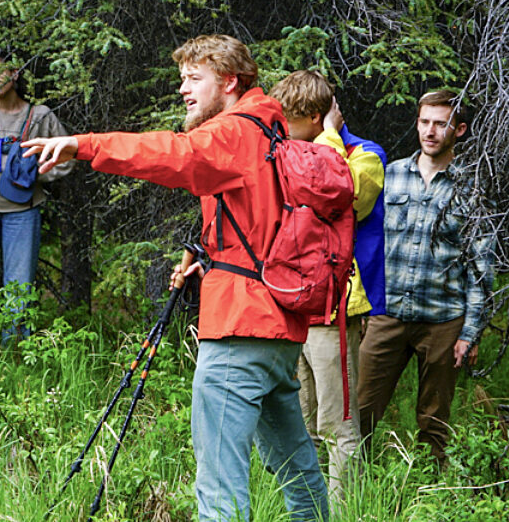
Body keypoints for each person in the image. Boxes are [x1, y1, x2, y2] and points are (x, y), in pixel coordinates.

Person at [25, 35, 330, 522]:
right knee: (296, 466)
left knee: (219, 484)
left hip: (238, 330)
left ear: (229, 82)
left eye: (194, 78)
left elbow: (174, 155)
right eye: (181, 79)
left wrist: (83, 146)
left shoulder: (234, 131)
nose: (183, 90)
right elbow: (258, 221)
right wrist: (206, 254)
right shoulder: (271, 131)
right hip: (277, 329)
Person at [356, 90, 494, 462]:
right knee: (361, 408)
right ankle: (356, 486)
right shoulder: (391, 176)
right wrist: (363, 306)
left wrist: (470, 332)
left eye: (441, 123)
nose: (430, 131)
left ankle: (431, 491)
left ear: (459, 129)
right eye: (424, 122)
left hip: (442, 320)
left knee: (434, 419)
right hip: (387, 313)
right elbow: (366, 245)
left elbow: (480, 267)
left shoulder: (471, 188)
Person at [269, 70, 386, 499]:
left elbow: (342, 193)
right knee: (300, 419)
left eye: (292, 123)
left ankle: (342, 510)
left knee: (337, 423)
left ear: (317, 118)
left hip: (335, 307)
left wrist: (330, 138)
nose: (283, 133)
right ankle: (304, 505)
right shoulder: (291, 152)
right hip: (292, 305)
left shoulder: (365, 156)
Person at [0, 56, 73, 341]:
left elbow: (67, 158)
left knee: (19, 286)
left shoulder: (40, 115)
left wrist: (34, 174)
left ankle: (16, 354)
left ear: (15, 73)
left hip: (24, 210)